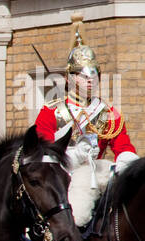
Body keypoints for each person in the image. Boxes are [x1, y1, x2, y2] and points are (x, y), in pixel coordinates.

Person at [34, 12, 139, 226]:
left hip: (96, 171)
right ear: (68, 78)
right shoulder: (51, 112)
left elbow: (123, 146)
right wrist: (72, 155)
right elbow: (41, 153)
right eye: (82, 75)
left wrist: (124, 164)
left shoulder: (108, 113)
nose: (90, 80)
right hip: (61, 174)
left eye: (94, 75)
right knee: (78, 212)